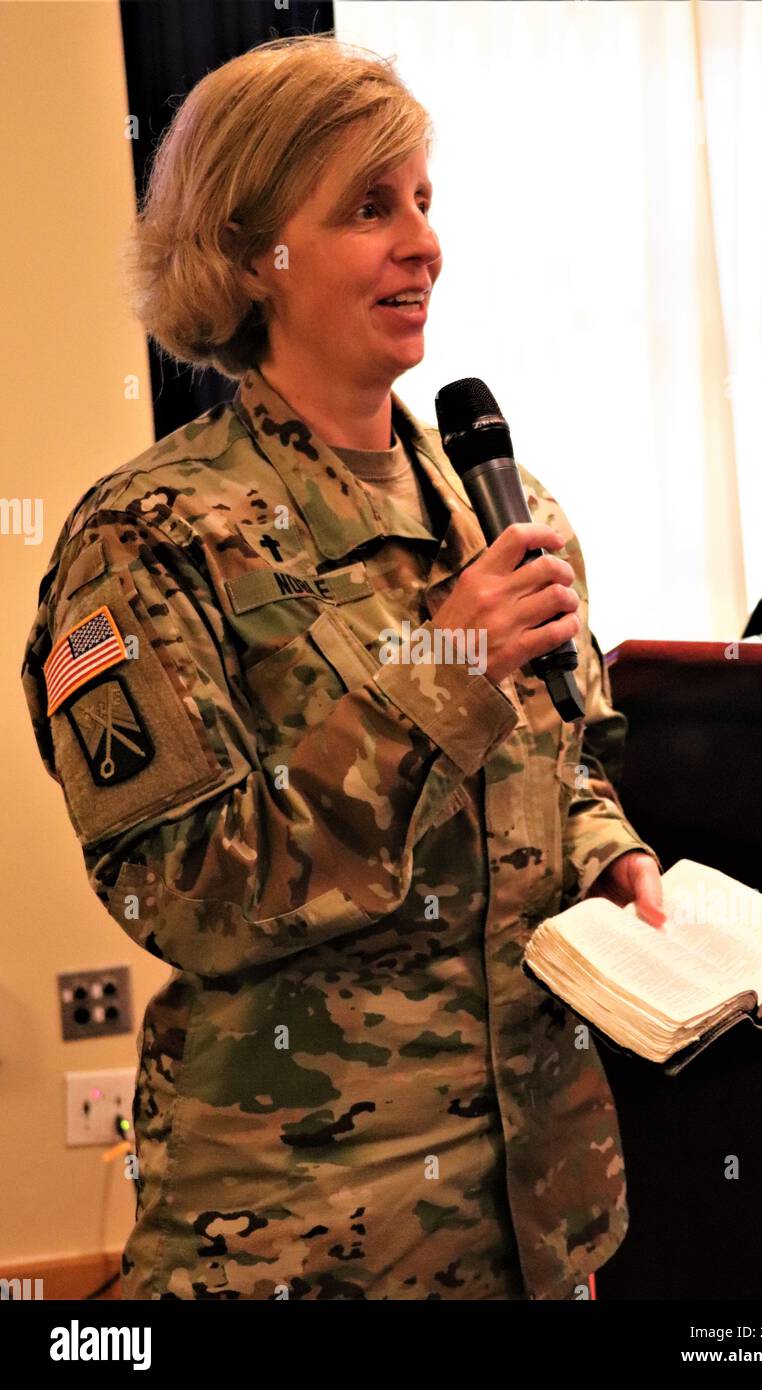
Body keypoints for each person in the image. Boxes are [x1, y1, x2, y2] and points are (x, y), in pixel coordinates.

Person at [20, 34, 665, 1300]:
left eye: (423, 199)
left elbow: (567, 760)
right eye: (369, 207)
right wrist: (443, 681)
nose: (422, 241)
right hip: (303, 1239)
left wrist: (609, 850)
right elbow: (187, 893)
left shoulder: (503, 505)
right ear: (252, 252)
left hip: (540, 1206)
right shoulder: (147, 536)